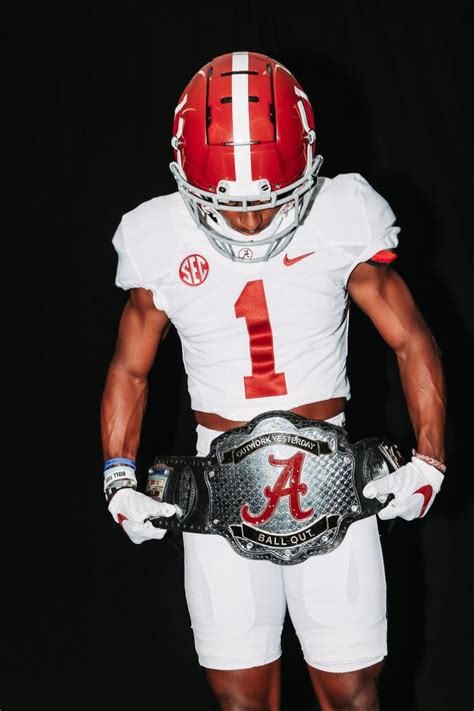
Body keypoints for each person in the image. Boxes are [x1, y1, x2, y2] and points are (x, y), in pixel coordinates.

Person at [100, 51, 446, 711]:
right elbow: (130, 368)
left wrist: (430, 456)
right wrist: (117, 474)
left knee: (353, 694)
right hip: (217, 483)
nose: (253, 222)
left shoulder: (342, 212)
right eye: (231, 207)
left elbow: (411, 338)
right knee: (242, 703)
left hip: (331, 473)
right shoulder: (156, 236)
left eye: (270, 201)